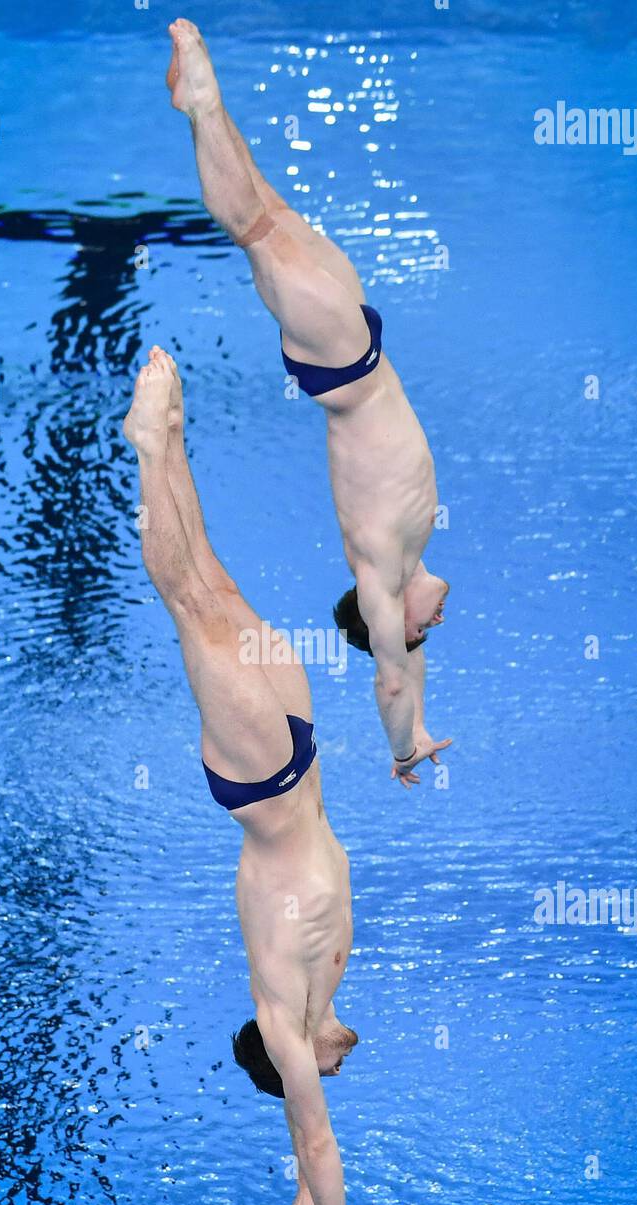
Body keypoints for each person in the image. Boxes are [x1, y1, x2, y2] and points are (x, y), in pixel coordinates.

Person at [123, 346, 370, 1205]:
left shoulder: (284, 1022)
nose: (343, 1068)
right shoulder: (325, 989)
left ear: (300, 1069)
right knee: (215, 581)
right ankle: (171, 439)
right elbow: (309, 1149)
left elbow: (317, 1138)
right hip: (298, 750)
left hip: (260, 782)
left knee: (188, 603)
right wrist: (307, 1183)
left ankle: (151, 448)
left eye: (325, 1076)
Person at [166, 16, 451, 788]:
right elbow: (410, 677)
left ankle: (201, 99)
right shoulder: (406, 564)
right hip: (358, 347)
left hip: (341, 365)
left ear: (391, 624)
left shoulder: (381, 582)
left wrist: (400, 751)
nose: (435, 627)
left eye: (422, 634)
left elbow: (391, 675)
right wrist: (422, 725)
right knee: (272, 211)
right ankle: (204, 106)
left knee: (253, 227)